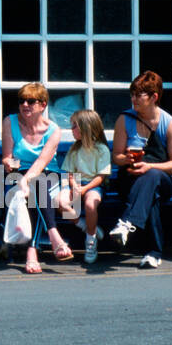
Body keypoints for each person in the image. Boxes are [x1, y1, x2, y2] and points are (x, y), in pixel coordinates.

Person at [108, 71, 172, 269]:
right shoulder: (124, 120)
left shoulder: (170, 124)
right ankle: (154, 252)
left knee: (152, 177)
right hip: (130, 178)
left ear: (154, 97)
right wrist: (128, 159)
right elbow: (116, 156)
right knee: (151, 197)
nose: (133, 99)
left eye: (138, 95)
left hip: (163, 179)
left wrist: (150, 166)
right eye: (132, 94)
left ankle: (126, 221)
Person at [1, 82, 72, 273]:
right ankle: (54, 236)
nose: (25, 105)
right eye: (22, 101)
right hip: (18, 173)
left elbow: (42, 162)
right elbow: (7, 156)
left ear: (43, 105)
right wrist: (8, 163)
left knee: (38, 185)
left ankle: (32, 253)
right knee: (37, 189)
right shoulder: (10, 122)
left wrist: (25, 181)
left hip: (48, 173)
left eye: (31, 101)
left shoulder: (54, 130)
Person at [59, 108, 112, 264]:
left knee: (90, 204)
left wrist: (84, 189)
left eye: (74, 126)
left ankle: (90, 240)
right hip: (76, 183)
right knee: (60, 203)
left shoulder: (101, 149)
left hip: (93, 185)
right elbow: (69, 171)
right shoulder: (74, 148)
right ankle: (85, 226)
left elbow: (100, 177)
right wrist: (74, 184)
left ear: (85, 128)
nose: (71, 129)